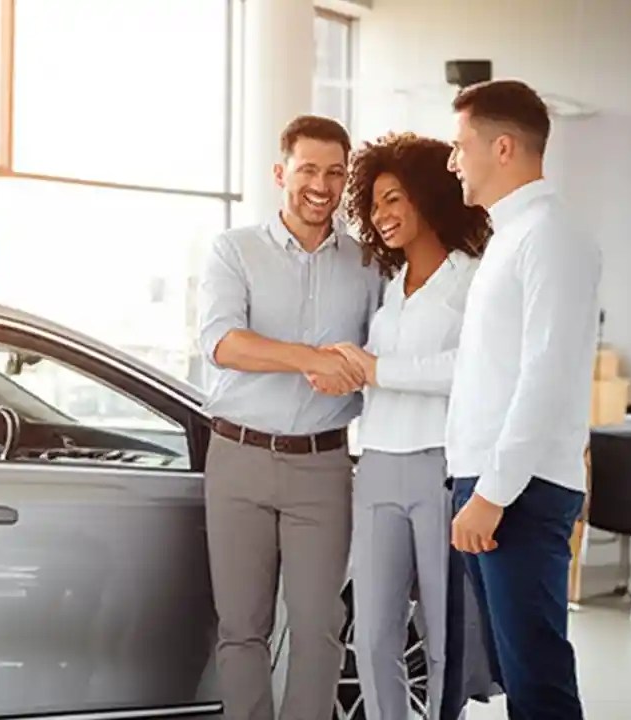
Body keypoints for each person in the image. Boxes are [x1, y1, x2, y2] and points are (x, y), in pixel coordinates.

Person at [197, 114, 382, 720]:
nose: (321, 185)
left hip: (323, 465)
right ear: (281, 173)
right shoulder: (235, 250)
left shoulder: (367, 264)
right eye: (308, 169)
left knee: (318, 627)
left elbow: (382, 357)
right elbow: (223, 343)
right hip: (239, 460)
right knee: (242, 627)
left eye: (335, 172)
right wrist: (310, 360)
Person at [444, 79, 601, 719]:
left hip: (517, 493)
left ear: (502, 147)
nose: (454, 161)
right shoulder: (509, 237)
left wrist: (491, 495)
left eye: (461, 146)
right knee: (517, 671)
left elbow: (547, 377)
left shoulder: (550, 237)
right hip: (494, 484)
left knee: (537, 680)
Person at [327, 132, 490, 720]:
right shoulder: (391, 289)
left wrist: (379, 369)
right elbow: (380, 374)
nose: (382, 215)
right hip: (376, 468)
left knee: (444, 631)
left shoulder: (474, 279)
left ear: (428, 196)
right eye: (374, 205)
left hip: (438, 469)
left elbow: (472, 370)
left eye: (394, 199)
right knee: (372, 633)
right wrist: (348, 373)